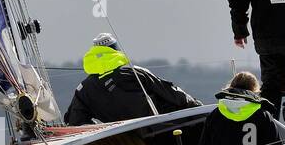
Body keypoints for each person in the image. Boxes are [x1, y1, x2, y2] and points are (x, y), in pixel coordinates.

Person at [64, 33, 201, 125]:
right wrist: (198, 108)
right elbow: (170, 92)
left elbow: (74, 121)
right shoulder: (134, 73)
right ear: (116, 50)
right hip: (159, 131)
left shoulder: (83, 89)